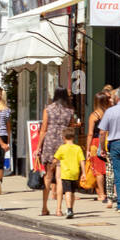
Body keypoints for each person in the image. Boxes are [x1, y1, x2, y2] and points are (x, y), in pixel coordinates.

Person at [38, 88, 75, 216]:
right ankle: (59, 209)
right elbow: (71, 128)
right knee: (60, 178)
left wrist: (38, 146)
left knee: (48, 176)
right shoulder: (70, 111)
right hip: (63, 144)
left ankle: (44, 207)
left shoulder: (48, 109)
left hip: (50, 143)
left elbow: (43, 129)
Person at [54, 126, 86, 219]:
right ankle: (71, 208)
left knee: (67, 191)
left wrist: (52, 164)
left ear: (63, 138)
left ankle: (69, 209)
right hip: (75, 173)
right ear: (73, 137)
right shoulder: (78, 148)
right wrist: (83, 173)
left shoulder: (62, 148)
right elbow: (82, 161)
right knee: (72, 192)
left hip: (66, 173)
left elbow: (55, 159)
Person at [86, 90, 111, 206]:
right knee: (109, 168)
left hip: (97, 142)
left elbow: (90, 133)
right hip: (109, 140)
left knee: (99, 170)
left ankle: (102, 193)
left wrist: (87, 149)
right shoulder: (110, 113)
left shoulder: (94, 115)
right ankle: (111, 191)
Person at [0, 89, 12, 174]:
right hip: (3, 135)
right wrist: (8, 140)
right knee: (1, 159)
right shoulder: (7, 110)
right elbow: (8, 127)